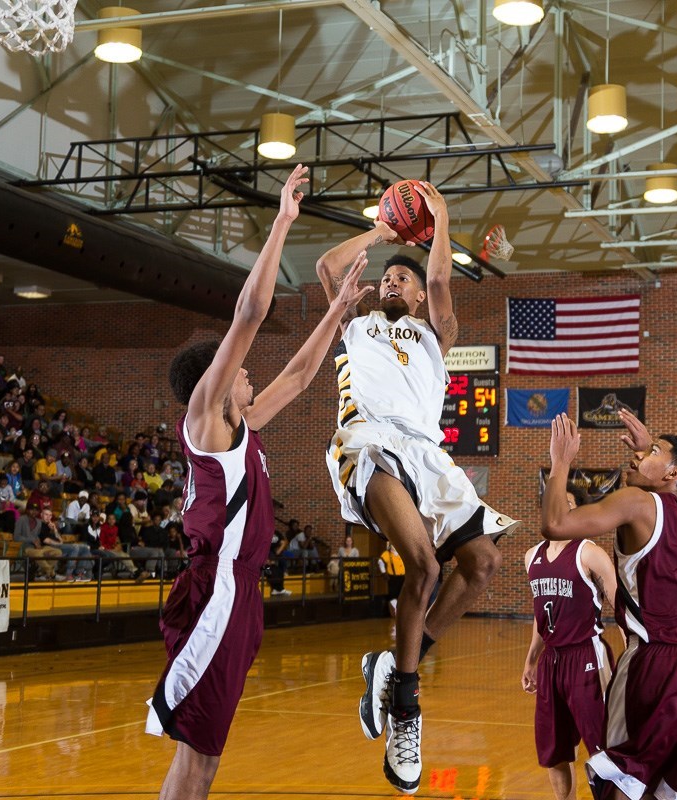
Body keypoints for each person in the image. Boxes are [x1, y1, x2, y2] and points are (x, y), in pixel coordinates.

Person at [146, 163, 372, 800]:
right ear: (214, 383)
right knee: (199, 757)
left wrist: (336, 311)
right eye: (238, 372)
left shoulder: (241, 422)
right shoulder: (206, 420)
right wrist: (281, 222)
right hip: (216, 589)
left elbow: (300, 378)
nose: (249, 376)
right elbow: (249, 313)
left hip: (238, 591)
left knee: (204, 756)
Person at [316, 181, 519, 794]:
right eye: (390, 280)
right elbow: (328, 266)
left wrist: (440, 217)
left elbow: (438, 284)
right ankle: (407, 708)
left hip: (427, 453)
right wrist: (383, 229)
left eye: (404, 279)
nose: (396, 285)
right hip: (368, 441)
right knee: (425, 568)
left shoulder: (437, 332)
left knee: (484, 563)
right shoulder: (355, 324)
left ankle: (397, 662)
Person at [540, 411, 677, 800]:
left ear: (673, 475)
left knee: (621, 781)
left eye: (653, 451)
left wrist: (560, 461)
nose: (637, 456)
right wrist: (654, 449)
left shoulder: (638, 502)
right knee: (659, 789)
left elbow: (555, 524)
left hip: (656, 662)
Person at [522, 488, 617, 800]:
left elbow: (621, 606)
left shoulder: (589, 552)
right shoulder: (531, 556)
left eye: (569, 504)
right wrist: (532, 658)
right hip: (552, 660)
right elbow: (540, 613)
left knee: (605, 747)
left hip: (588, 655)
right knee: (555, 750)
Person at [13, 505, 63, 581]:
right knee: (38, 554)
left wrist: (54, 530)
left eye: (36, 510)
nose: (34, 512)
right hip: (25, 547)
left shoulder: (39, 522)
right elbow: (16, 537)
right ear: (27, 510)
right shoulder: (21, 520)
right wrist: (32, 540)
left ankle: (41, 573)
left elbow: (39, 536)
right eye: (32, 509)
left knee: (58, 552)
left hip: (38, 547)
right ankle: (51, 573)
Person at [377, 541, 405, 617]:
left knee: (402, 594)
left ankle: (401, 610)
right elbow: (380, 562)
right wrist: (383, 572)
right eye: (393, 545)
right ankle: (396, 609)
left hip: (403, 577)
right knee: (393, 595)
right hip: (393, 578)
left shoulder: (401, 553)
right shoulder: (387, 554)